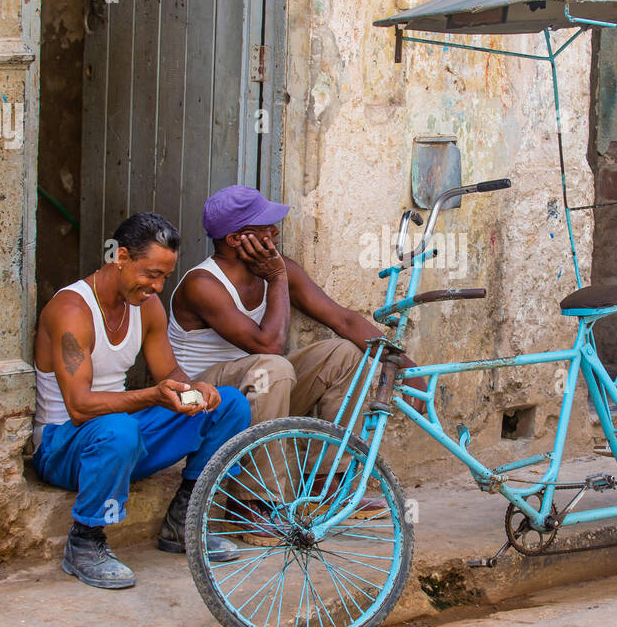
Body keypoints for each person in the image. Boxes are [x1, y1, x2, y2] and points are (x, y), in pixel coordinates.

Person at [167, 186, 421, 534]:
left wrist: (407, 367)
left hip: (263, 389)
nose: (275, 231)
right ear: (237, 239)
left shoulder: (279, 268)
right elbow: (269, 345)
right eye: (265, 226)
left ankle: (325, 485)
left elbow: (344, 320)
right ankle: (253, 505)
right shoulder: (202, 284)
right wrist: (276, 278)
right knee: (273, 366)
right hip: (208, 403)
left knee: (346, 353)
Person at [32, 211, 251, 589]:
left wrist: (195, 390)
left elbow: (170, 374)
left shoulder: (146, 307)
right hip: (63, 445)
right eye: (151, 274)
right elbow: (80, 407)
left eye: (165, 276)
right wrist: (152, 396)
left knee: (229, 404)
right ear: (120, 258)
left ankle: (184, 521)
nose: (159, 286)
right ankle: (84, 541)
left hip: (121, 438)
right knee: (119, 430)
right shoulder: (72, 310)